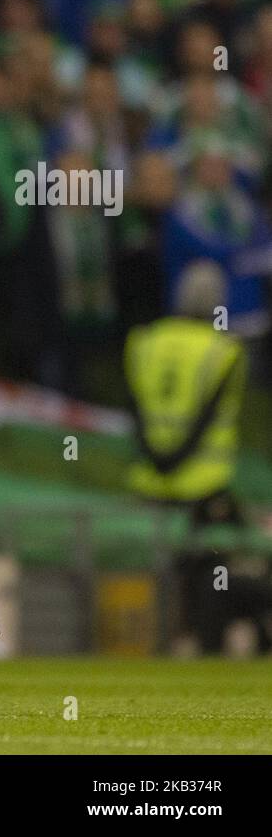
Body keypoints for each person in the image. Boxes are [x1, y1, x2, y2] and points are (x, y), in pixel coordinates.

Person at [124, 259, 272, 653]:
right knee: (209, 573)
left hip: (150, 481)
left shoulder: (145, 341)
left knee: (158, 573)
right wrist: (179, 459)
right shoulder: (224, 351)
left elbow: (135, 409)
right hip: (204, 486)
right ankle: (205, 646)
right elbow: (208, 417)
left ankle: (158, 643)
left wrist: (159, 459)